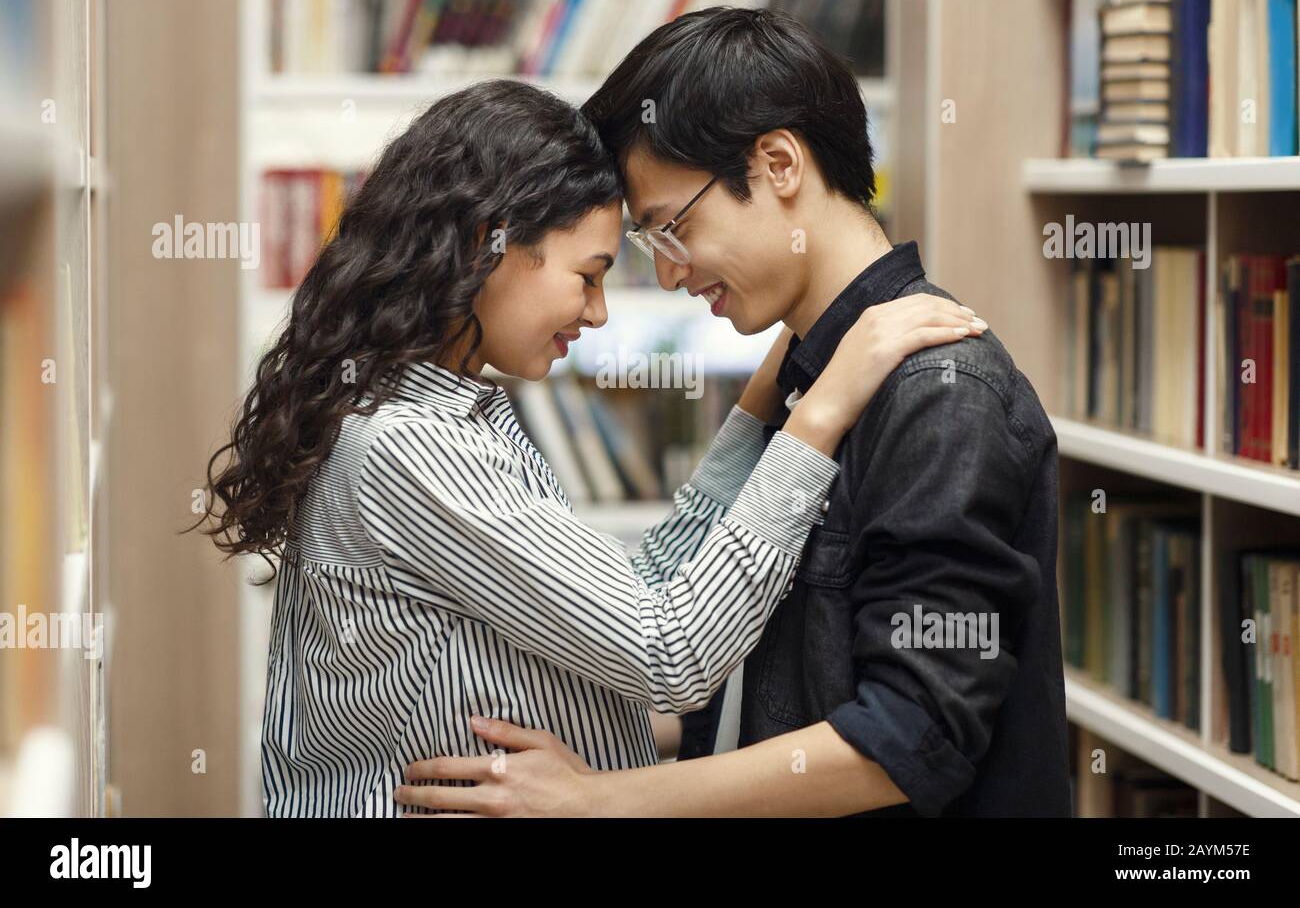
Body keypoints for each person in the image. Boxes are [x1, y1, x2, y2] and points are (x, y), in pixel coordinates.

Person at [189, 78, 981, 816]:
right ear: (485, 245)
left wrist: (759, 408)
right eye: (589, 274)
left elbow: (641, 588)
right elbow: (672, 645)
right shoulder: (410, 449)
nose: (599, 314)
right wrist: (823, 413)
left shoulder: (439, 416)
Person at [400, 8, 1070, 817]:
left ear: (779, 163)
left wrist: (604, 797)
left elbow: (912, 734)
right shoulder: (808, 376)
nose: (674, 277)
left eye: (672, 229)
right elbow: (764, 674)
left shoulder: (940, 392)